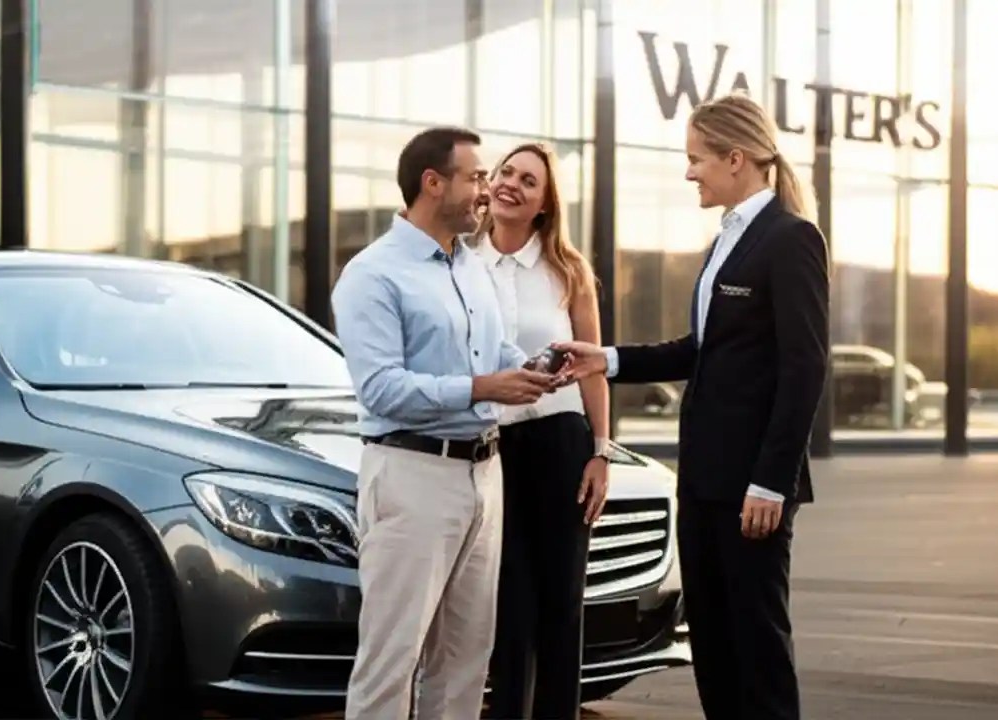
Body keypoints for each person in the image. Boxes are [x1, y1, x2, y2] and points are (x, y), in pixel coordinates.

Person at [554, 93, 830, 720]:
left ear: (736, 159)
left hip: (751, 489)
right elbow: (700, 351)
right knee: (711, 643)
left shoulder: (791, 239)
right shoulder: (726, 242)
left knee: (755, 647)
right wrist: (607, 359)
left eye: (696, 159)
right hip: (703, 479)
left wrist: (771, 482)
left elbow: (805, 367)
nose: (688, 173)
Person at [331, 126, 563, 720]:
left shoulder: (470, 265)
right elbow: (382, 388)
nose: (487, 189)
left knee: (465, 661)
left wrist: (534, 369)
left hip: (484, 475)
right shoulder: (372, 275)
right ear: (433, 184)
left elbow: (494, 351)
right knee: (392, 659)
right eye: (477, 177)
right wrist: (483, 388)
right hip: (412, 475)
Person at [468, 142, 610, 720]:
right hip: (493, 446)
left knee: (561, 606)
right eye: (506, 172)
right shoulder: (460, 261)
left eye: (528, 181)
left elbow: (594, 366)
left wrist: (601, 453)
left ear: (545, 205)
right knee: (508, 607)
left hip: (560, 442)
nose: (510, 184)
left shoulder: (567, 271)